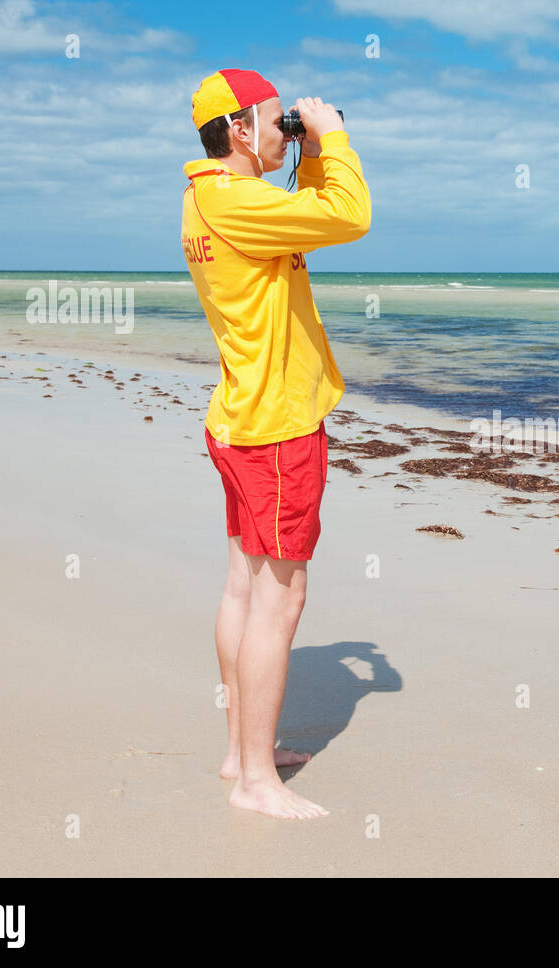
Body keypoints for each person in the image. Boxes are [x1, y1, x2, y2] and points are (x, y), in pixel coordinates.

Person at [181, 68, 371, 819]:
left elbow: (306, 214)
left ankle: (240, 752)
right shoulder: (243, 200)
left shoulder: (207, 195)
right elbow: (349, 216)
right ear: (237, 130)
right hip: (276, 427)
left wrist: (301, 145)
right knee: (280, 600)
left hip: (238, 416)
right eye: (271, 119)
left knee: (242, 586)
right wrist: (331, 135)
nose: (280, 130)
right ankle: (259, 781)